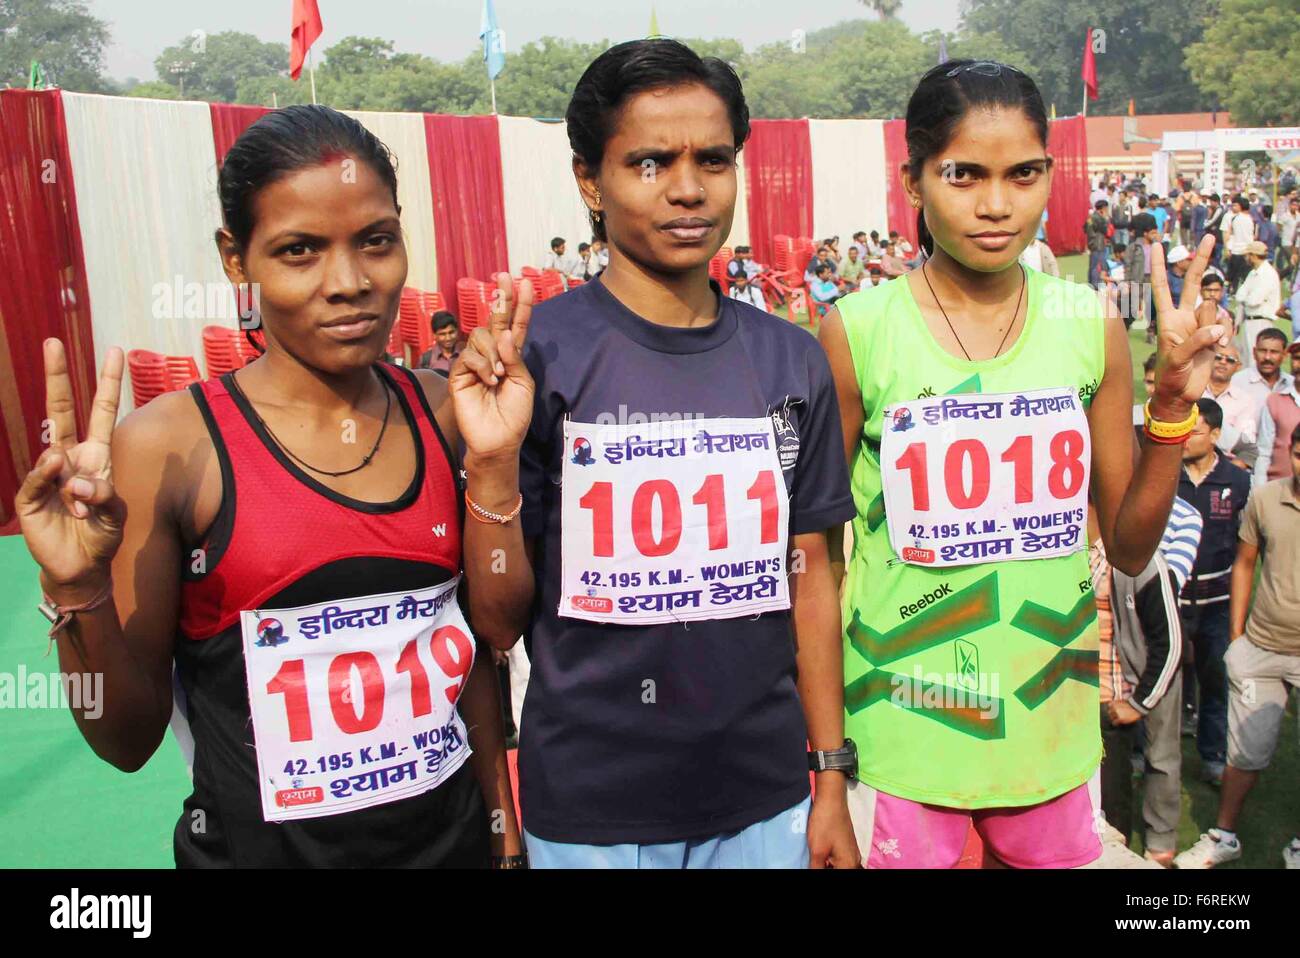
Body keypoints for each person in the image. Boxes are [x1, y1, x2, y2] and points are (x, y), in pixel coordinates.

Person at [12, 105, 532, 867]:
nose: (349, 283)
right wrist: (77, 586)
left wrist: (505, 837)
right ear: (236, 259)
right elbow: (125, 740)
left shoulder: (447, 411)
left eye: (376, 242)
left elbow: (486, 642)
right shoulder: (169, 448)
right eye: (299, 251)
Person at [818, 59, 1226, 869]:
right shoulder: (857, 330)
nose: (997, 204)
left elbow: (1132, 547)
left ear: (1049, 175)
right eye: (963, 174)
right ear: (915, 182)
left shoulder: (1089, 322)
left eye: (1024, 174)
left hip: (1048, 717)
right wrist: (825, 759)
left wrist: (1171, 410)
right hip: (904, 725)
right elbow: (818, 564)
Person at [512, 38, 859, 869]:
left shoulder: (791, 358)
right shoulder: (538, 356)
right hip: (590, 813)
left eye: (713, 158)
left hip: (763, 802)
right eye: (650, 161)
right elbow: (495, 610)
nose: (688, 188)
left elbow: (812, 581)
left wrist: (832, 780)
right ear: (589, 181)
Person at [1173, 423, 1300, 870]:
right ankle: (1224, 836)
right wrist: (1236, 636)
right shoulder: (1266, 498)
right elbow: (1245, 563)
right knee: (1243, 751)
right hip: (1261, 648)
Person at [1091, 498, 1196, 867]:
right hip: (1098, 691)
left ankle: (1160, 845)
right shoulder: (1078, 559)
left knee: (1160, 758)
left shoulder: (1143, 565)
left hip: (1147, 676)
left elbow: (1171, 644)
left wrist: (1137, 703)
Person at [1177, 398, 1252, 788]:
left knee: (1215, 680)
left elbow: (1248, 544)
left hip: (1216, 604)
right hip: (1171, 601)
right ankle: (1145, 754)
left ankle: (1212, 756)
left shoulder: (1237, 482)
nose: (1185, 438)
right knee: (1164, 678)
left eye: (1195, 430)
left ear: (1216, 435)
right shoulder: (1167, 476)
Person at [1202, 342, 1258, 466]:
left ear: (1238, 366)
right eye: (1218, 357)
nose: (1223, 362)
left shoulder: (1245, 401)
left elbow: (1246, 445)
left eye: (1230, 360)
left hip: (1226, 465)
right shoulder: (1194, 392)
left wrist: (1228, 473)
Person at [1253, 355, 1300, 487]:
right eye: (1297, 358)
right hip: (1279, 488)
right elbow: (1263, 452)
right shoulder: (1275, 401)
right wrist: (1260, 492)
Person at [1235, 241, 1281, 358]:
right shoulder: (1252, 273)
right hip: (1249, 320)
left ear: (1253, 256)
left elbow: (1254, 301)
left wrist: (1246, 297)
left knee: (1255, 358)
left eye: (1247, 255)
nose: (1246, 258)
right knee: (1245, 358)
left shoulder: (1268, 274)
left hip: (1261, 321)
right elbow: (1239, 295)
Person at [1232, 327, 1293, 410]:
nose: (1267, 357)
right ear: (1254, 352)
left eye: (1274, 352)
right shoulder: (1238, 382)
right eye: (1263, 351)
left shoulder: (1292, 384)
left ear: (1285, 355)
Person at [1222, 196, 1255, 292]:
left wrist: (1227, 248)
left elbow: (1229, 235)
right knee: (1245, 275)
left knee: (1233, 275)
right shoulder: (1250, 219)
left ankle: (1231, 292)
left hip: (1236, 250)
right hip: (1246, 250)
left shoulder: (1234, 218)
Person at [416, 310, 461, 375]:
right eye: (442, 334)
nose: (448, 338)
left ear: (457, 331)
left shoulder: (466, 355)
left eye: (451, 332)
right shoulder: (426, 360)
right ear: (434, 335)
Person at [1086, 200, 1110, 285]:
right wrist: (1106, 218)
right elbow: (1105, 229)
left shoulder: (1091, 217)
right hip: (1098, 244)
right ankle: (1095, 284)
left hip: (1092, 243)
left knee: (1093, 265)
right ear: (1103, 208)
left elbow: (1085, 228)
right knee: (1097, 265)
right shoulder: (1098, 218)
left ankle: (1091, 282)